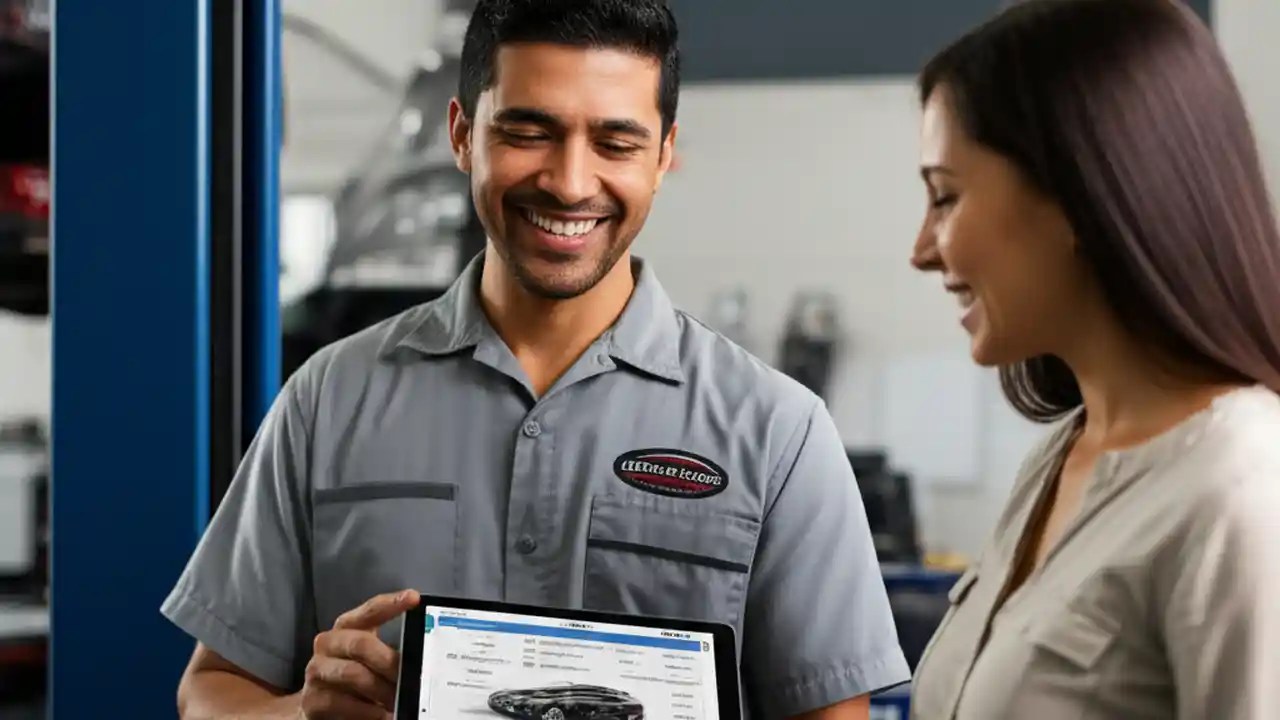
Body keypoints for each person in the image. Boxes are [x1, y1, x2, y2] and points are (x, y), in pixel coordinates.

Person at [162, 1, 910, 718]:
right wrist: (302, 716)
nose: (569, 182)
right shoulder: (329, 400)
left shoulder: (777, 431)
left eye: (615, 143)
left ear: (664, 156)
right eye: (529, 132)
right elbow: (211, 690)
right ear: (462, 134)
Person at [906, 0, 1280, 718]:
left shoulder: (1241, 492)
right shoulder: (1056, 459)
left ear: (1078, 194)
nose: (922, 250)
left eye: (945, 198)